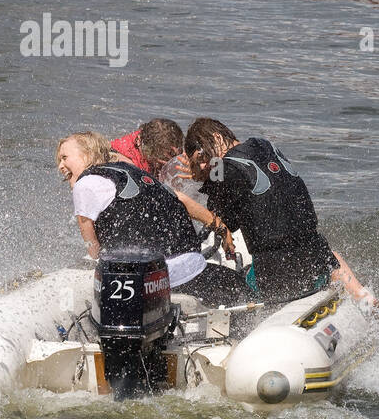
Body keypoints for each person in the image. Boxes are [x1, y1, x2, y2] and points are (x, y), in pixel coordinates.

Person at [183, 118, 379, 327]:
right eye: (197, 162)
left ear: (217, 137)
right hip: (316, 260)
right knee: (317, 248)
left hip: (277, 279)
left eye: (201, 157)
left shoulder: (224, 169)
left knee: (219, 278)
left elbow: (219, 221)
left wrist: (199, 179)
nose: (203, 165)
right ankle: (362, 297)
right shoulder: (264, 145)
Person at [55, 131, 251, 306]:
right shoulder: (133, 172)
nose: (61, 166)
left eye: (64, 158)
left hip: (148, 277)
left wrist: (96, 256)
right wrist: (218, 225)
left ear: (87, 154)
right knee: (236, 285)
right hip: (190, 265)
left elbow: (88, 234)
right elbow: (179, 199)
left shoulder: (86, 183)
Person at [113, 119, 237, 259]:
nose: (172, 160)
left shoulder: (151, 137)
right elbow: (174, 196)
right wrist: (219, 226)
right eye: (165, 159)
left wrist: (196, 164)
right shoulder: (124, 163)